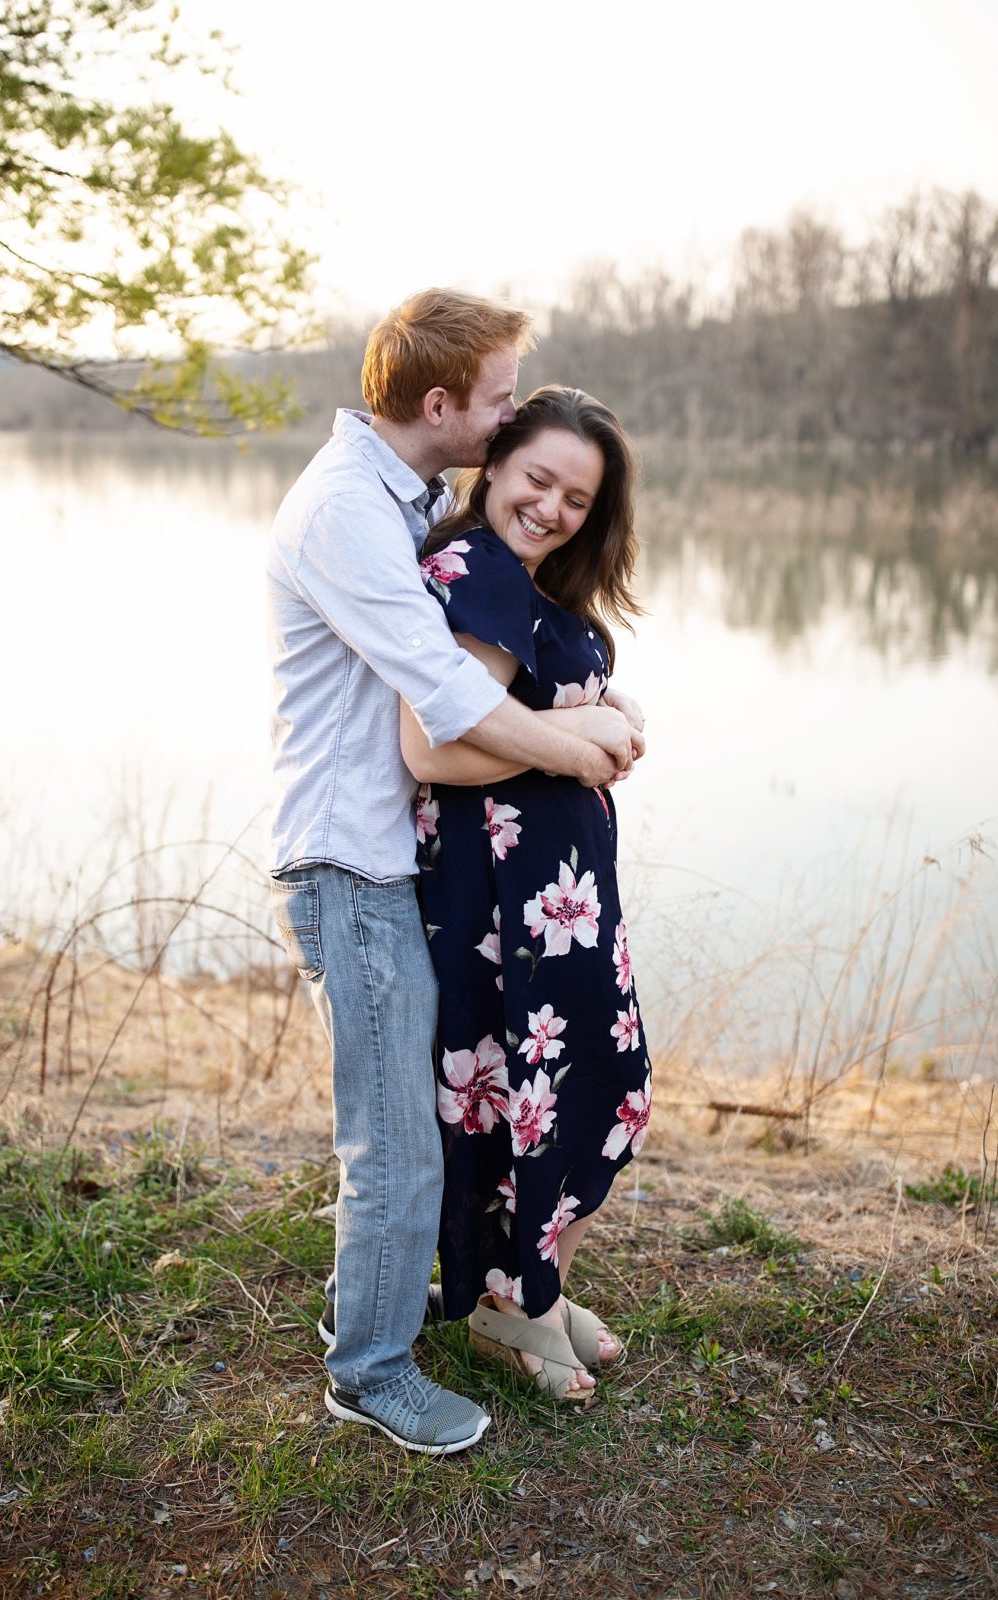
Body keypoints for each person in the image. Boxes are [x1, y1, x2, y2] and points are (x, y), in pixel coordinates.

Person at [266, 293, 641, 1454]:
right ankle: (369, 1372)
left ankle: (408, 1304)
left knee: (418, 1119)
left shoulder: (407, 498)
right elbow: (442, 711)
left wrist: (600, 711)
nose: (506, 412)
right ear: (442, 406)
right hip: (348, 856)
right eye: (496, 398)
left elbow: (490, 679)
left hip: (395, 860)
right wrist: (583, 744)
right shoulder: (347, 513)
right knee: (393, 1137)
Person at [400, 385, 651, 1402]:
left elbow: (531, 700)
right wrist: (577, 749)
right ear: (494, 464)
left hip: (561, 902)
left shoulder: (530, 584)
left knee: (596, 1084)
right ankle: (514, 1307)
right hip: (502, 906)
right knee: (541, 1100)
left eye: (575, 498)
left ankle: (535, 1290)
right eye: (536, 478)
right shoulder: (473, 575)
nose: (549, 507)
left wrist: (608, 706)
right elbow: (433, 749)